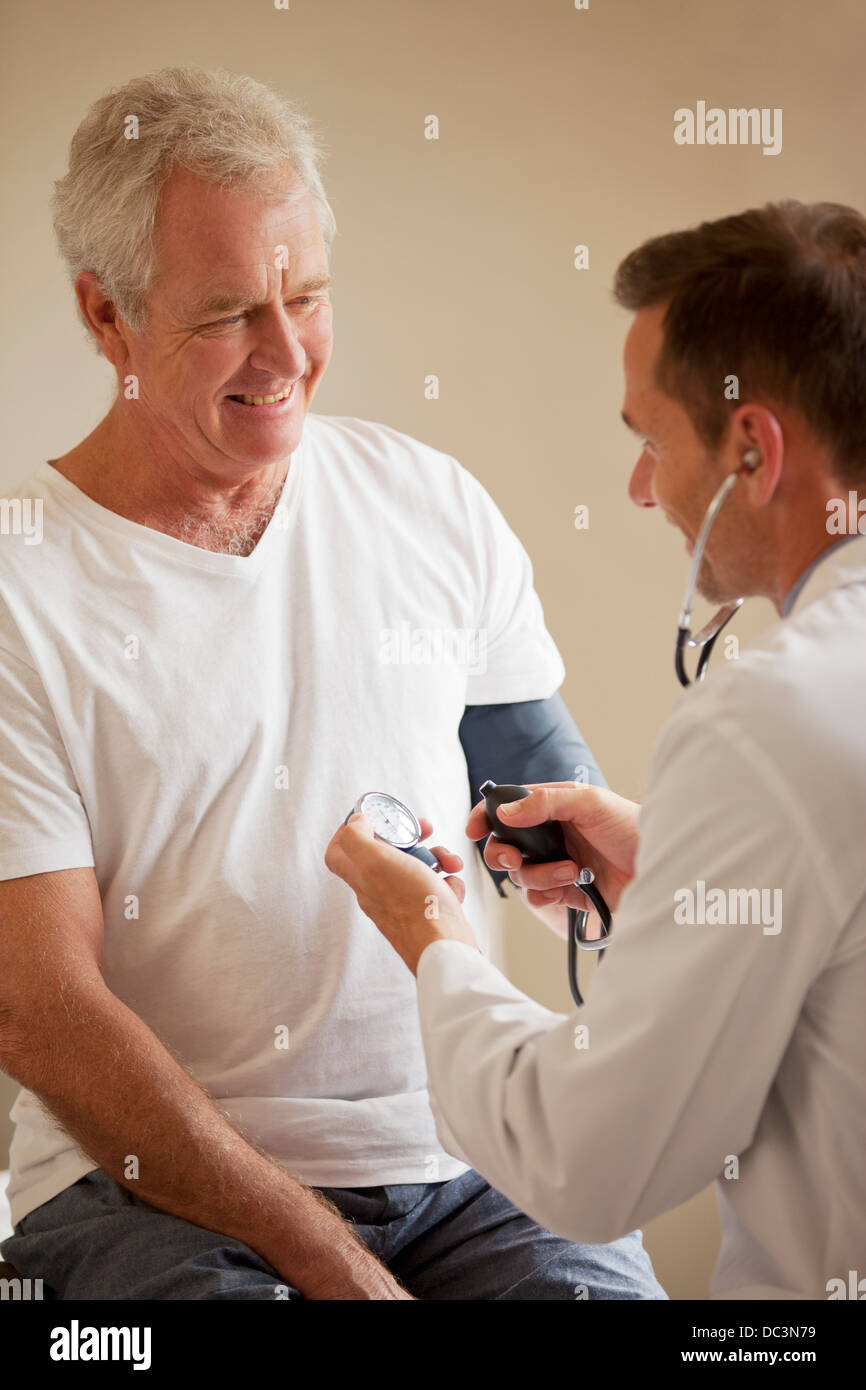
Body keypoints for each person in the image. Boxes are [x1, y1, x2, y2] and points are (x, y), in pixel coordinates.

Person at [0, 66, 665, 1300]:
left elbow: (550, 797)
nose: (286, 351)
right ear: (106, 316)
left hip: (470, 1159)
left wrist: (619, 882)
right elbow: (40, 1010)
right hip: (136, 1194)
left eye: (305, 295)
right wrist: (329, 1261)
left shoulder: (427, 502)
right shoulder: (17, 587)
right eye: (225, 314)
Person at [325, 200, 866, 1301]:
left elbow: (586, 1158)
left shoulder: (767, 721)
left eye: (649, 438)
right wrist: (679, 873)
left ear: (749, 448)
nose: (637, 486)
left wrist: (434, 941)